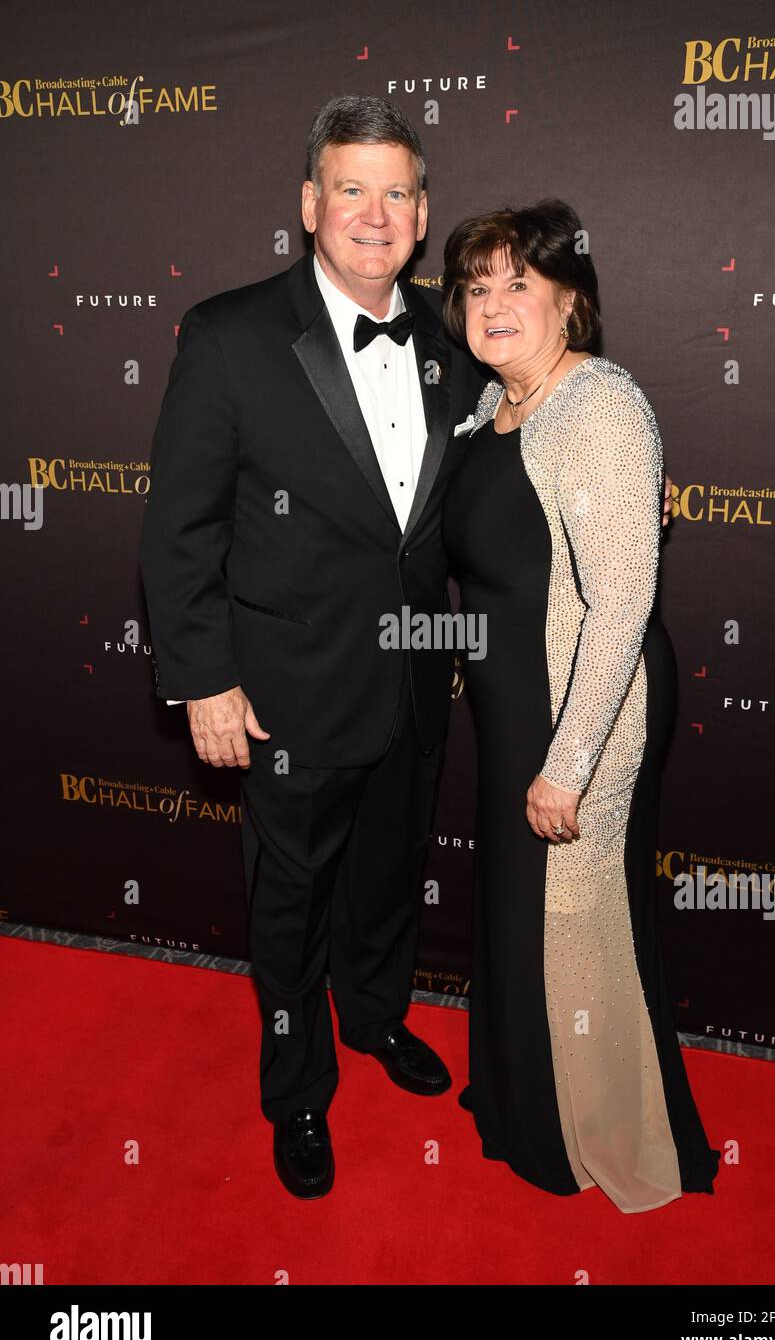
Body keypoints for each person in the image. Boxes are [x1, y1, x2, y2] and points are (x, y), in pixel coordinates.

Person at [139, 95, 673, 1202]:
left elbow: (545, 441)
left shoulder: (454, 329)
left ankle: (376, 1019)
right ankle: (296, 1088)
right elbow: (178, 527)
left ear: (422, 210)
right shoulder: (228, 334)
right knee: (288, 901)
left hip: (421, 679)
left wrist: (634, 501)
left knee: (386, 878)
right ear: (309, 204)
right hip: (283, 692)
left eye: (396, 192)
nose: (373, 214)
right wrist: (202, 679)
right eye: (350, 188)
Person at [441, 200, 720, 1212]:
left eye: (519, 282)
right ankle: (527, 1108)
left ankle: (602, 1131)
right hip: (515, 706)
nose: (493, 303)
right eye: (476, 287)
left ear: (571, 301)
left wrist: (568, 762)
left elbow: (618, 607)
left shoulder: (596, 405)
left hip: (584, 708)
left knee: (575, 916)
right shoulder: (493, 404)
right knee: (523, 913)